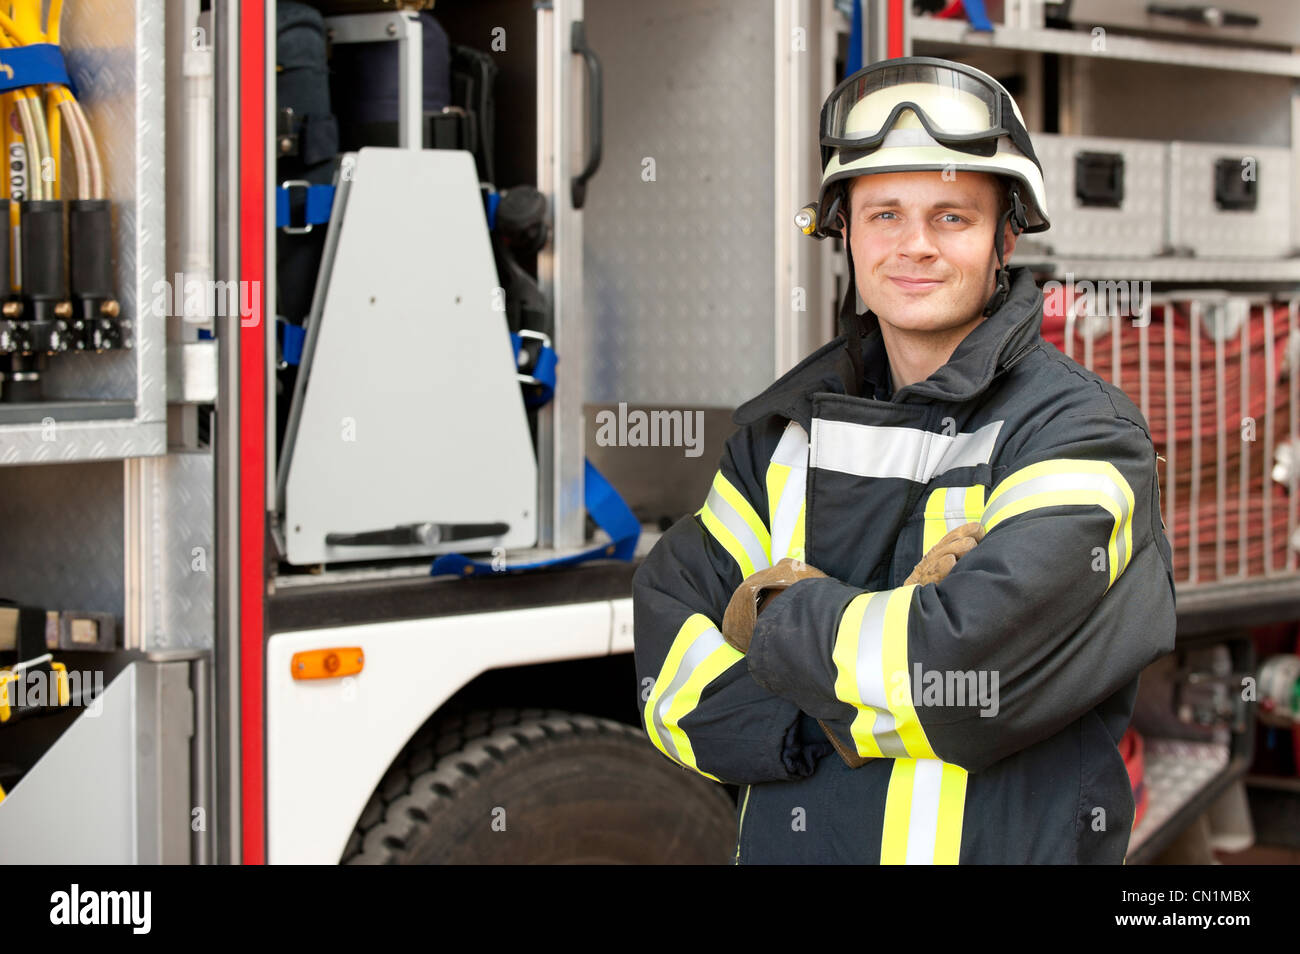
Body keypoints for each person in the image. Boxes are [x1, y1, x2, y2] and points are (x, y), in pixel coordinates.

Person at [632, 56, 1177, 864]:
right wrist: (877, 657)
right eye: (884, 214)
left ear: (1006, 237)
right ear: (843, 230)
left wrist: (772, 611)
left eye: (951, 216)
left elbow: (956, 684)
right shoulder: (779, 435)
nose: (913, 246)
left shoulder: (1079, 435)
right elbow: (669, 686)